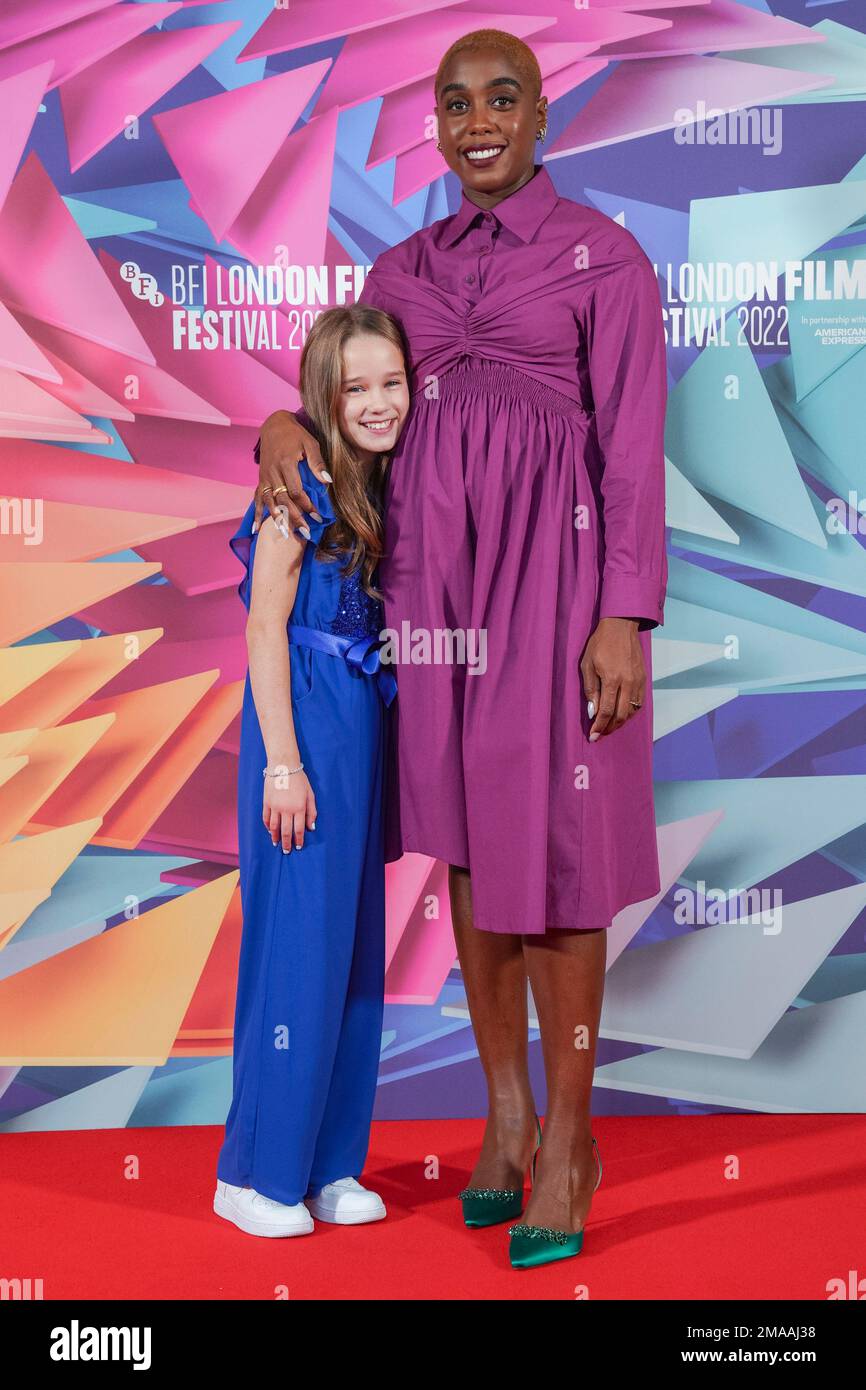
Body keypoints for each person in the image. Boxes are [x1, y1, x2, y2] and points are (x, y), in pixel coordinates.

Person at [252, 29, 668, 1267]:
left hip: (559, 594)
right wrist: (281, 418)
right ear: (431, 126)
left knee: (564, 859)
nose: (476, 119)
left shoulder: (604, 257)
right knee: (473, 854)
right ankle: (503, 1121)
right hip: (433, 606)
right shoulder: (400, 266)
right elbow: (343, 393)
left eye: (501, 99)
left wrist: (621, 615)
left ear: (540, 115)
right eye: (453, 103)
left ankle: (575, 1137)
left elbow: (634, 450)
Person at [214, 305, 410, 1237]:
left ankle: (332, 1166)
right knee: (295, 952)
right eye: (356, 387)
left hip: (361, 728)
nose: (379, 403)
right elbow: (262, 627)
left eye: (392, 382)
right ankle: (256, 1171)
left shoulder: (385, 481)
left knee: (352, 954)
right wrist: (281, 767)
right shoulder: (299, 485)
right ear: (323, 397)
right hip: (302, 729)